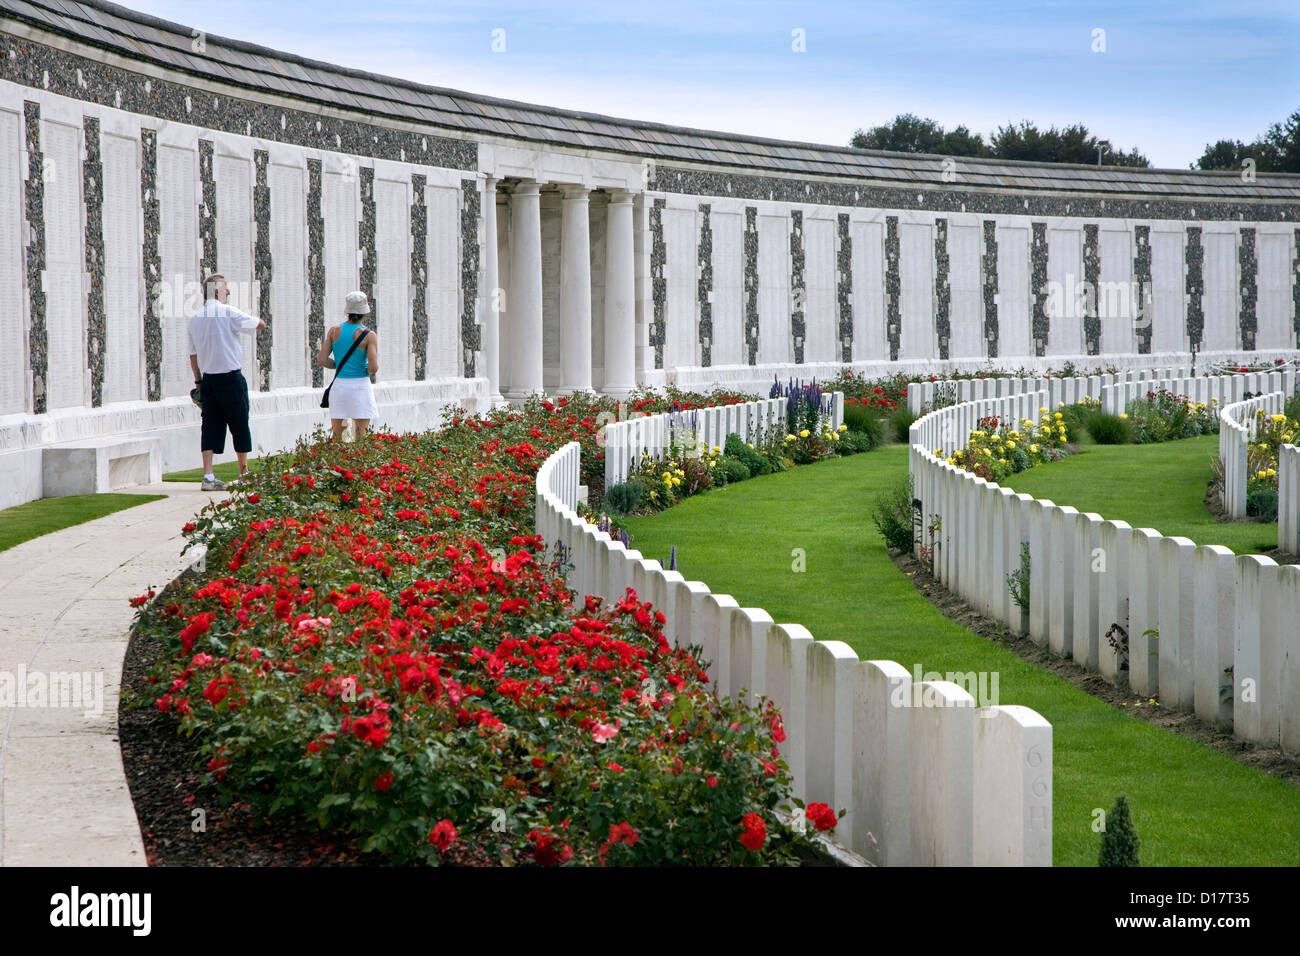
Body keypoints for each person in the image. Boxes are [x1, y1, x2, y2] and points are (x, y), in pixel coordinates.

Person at [188, 274, 265, 491]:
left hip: (208, 381)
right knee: (239, 423)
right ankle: (243, 473)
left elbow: (193, 355)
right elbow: (260, 325)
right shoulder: (228, 312)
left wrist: (198, 382)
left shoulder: (194, 319)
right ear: (216, 291)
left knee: (209, 426)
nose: (228, 292)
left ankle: (208, 476)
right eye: (226, 289)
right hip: (231, 378)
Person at [317, 291, 380, 440]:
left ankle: (336, 463)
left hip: (340, 386)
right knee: (361, 435)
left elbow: (322, 360)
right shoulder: (369, 335)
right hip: (360, 386)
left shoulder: (334, 331)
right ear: (364, 312)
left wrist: (339, 365)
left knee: (338, 436)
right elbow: (373, 367)